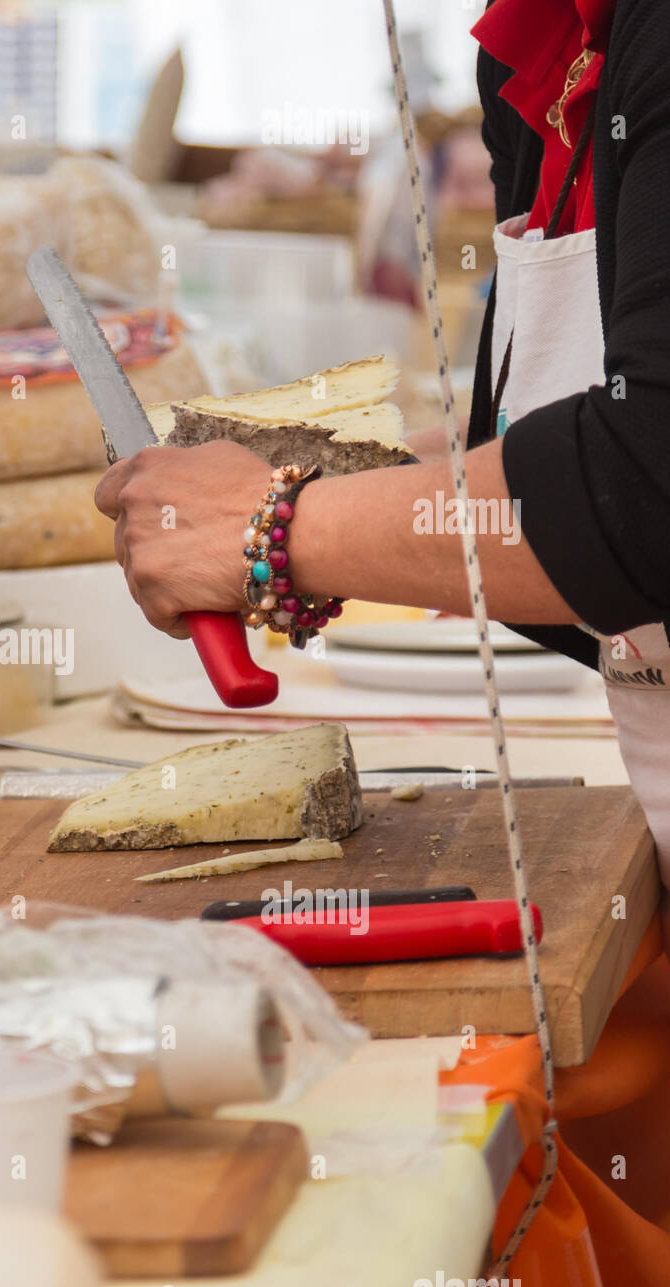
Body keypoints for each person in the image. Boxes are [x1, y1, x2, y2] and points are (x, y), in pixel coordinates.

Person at [96, 0, 670, 885]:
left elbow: (642, 488)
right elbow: (545, 461)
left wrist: (279, 529)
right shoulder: (540, 44)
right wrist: (354, 499)